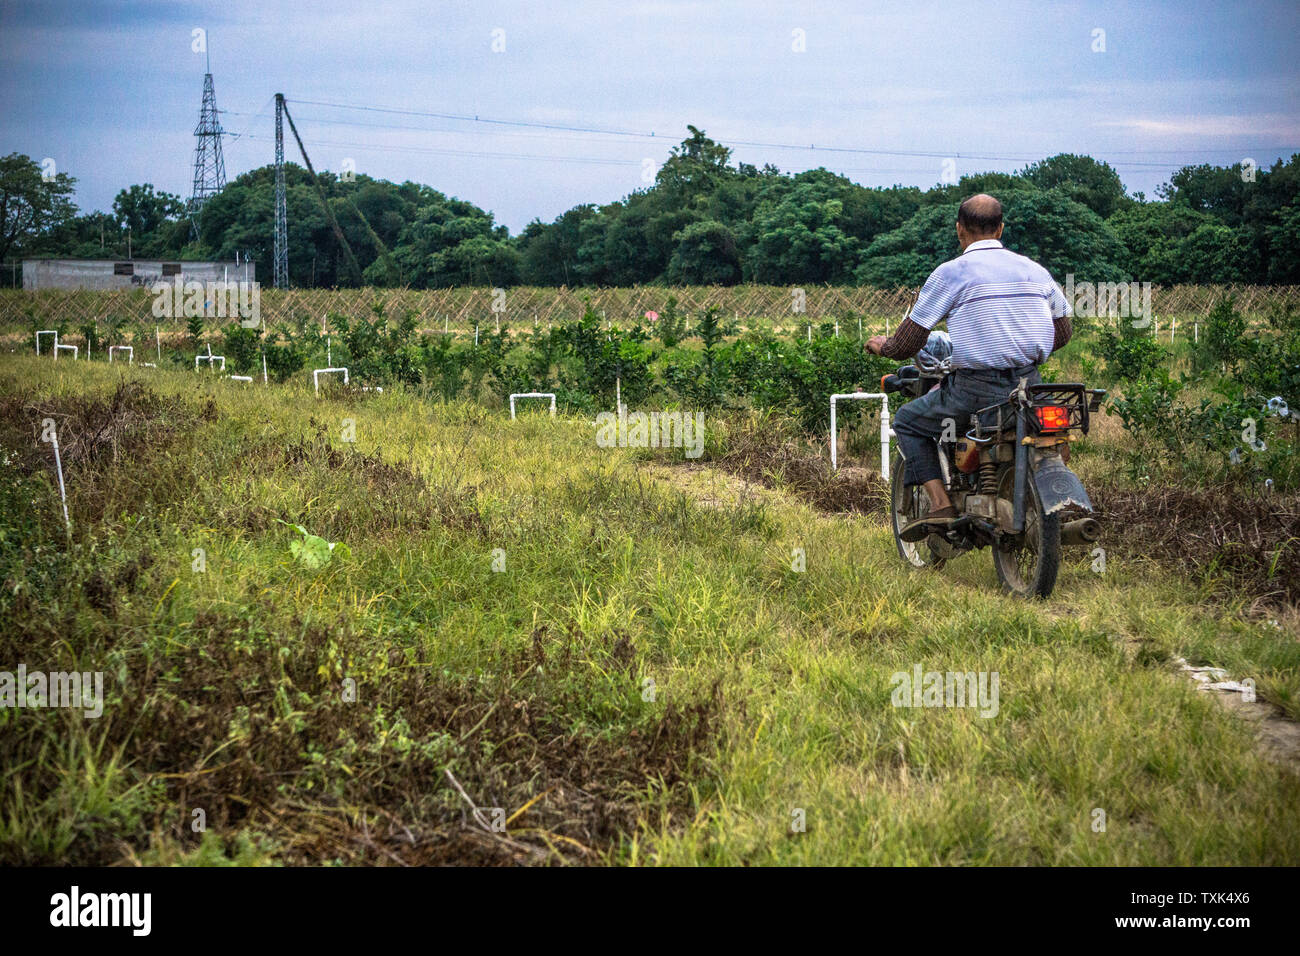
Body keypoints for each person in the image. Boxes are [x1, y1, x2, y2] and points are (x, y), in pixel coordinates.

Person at [866, 194, 1073, 541]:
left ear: (960, 230)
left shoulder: (951, 273)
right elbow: (1063, 331)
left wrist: (883, 345)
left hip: (976, 390)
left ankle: (941, 505)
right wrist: (1019, 353)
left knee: (908, 421)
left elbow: (907, 344)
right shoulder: (1034, 269)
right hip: (1030, 387)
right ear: (1001, 228)